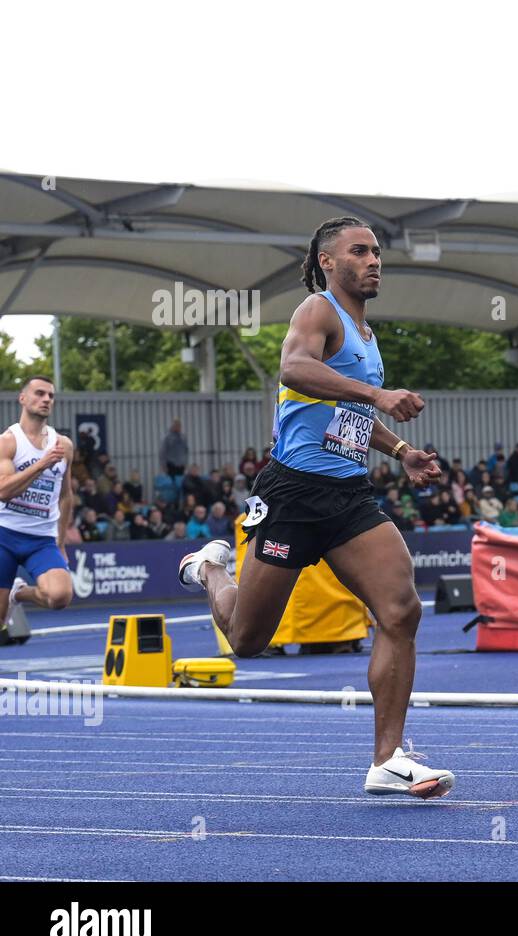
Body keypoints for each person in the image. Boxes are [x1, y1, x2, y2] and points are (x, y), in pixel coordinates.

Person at [176, 216, 455, 798]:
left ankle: (388, 758)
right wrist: (379, 393)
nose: (374, 260)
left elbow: (348, 415)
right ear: (328, 261)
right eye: (360, 251)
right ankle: (210, 569)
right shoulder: (317, 311)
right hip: (294, 494)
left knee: (401, 610)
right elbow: (295, 369)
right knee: (249, 641)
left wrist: (400, 450)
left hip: (350, 498)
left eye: (378, 251)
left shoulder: (367, 334)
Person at [0, 376, 76, 636]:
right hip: (4, 535)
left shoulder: (63, 445)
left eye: (50, 396)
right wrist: (42, 464)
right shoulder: (8, 442)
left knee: (60, 596)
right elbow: (4, 491)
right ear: (23, 398)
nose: (46, 399)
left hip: (41, 539)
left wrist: (61, 542)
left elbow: (66, 496)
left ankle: (19, 593)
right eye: (39, 393)